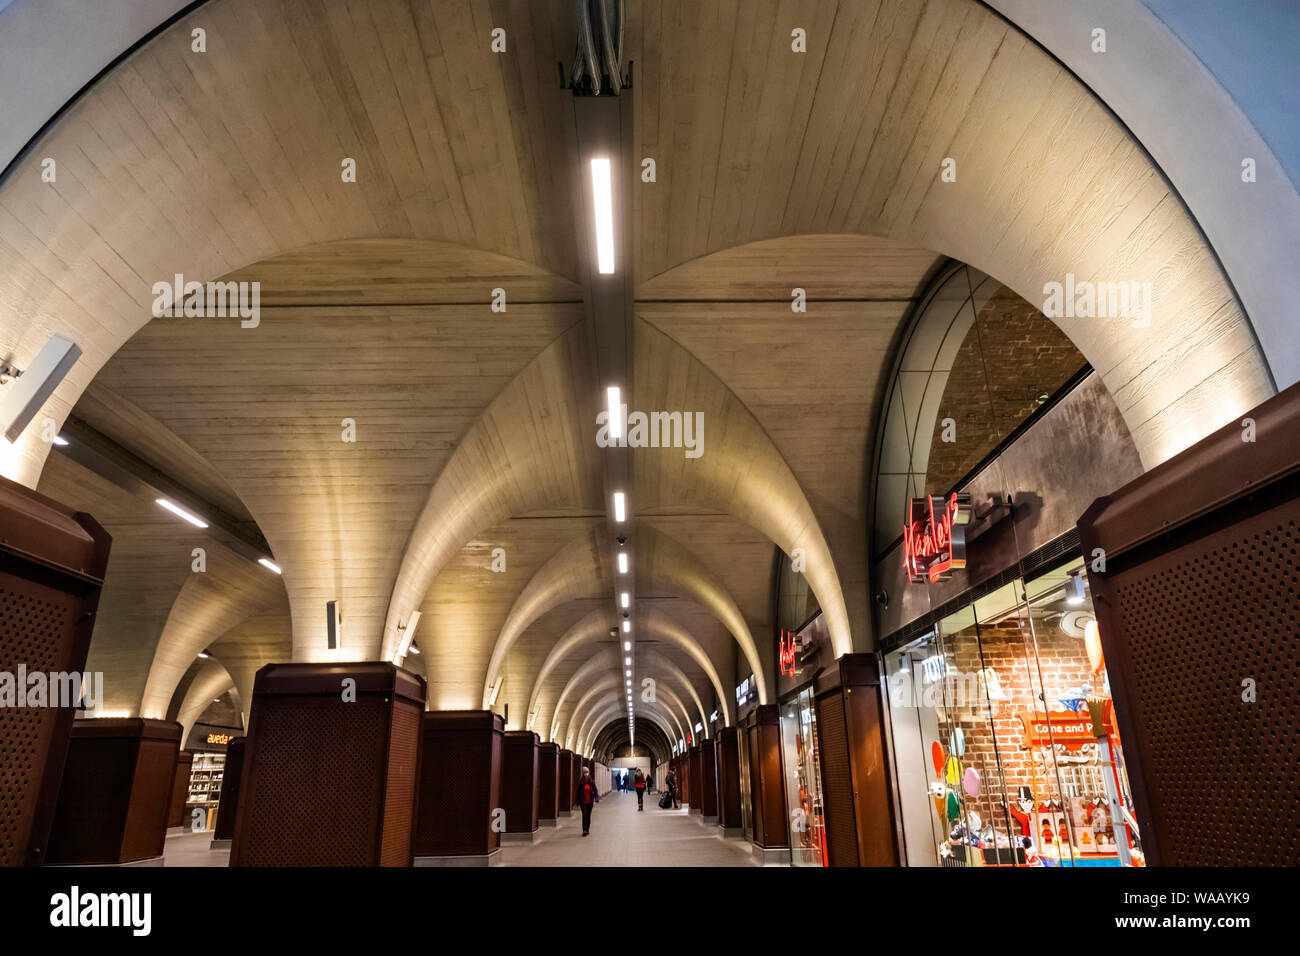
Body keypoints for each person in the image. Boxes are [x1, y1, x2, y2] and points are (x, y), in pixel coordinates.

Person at [574, 766, 599, 836]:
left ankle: (587, 829)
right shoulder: (580, 782)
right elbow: (577, 792)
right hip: (583, 802)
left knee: (588, 815)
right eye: (584, 772)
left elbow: (595, 790)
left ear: (589, 773)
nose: (586, 774)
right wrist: (577, 801)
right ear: (583, 773)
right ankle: (584, 830)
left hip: (590, 801)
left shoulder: (591, 781)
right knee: (584, 815)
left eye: (587, 772)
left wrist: (596, 798)